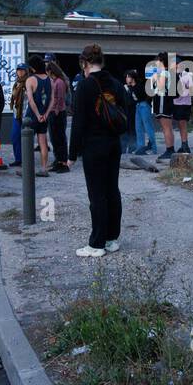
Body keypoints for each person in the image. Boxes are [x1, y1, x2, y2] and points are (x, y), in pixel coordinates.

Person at [68, 43, 125, 257]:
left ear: (84, 62)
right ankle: (111, 239)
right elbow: (124, 112)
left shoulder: (84, 86)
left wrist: (71, 154)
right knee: (112, 191)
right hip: (114, 145)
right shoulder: (116, 84)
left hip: (93, 146)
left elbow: (78, 122)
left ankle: (96, 244)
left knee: (97, 194)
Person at [25, 55, 53, 176]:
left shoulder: (30, 80)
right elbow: (52, 100)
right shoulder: (50, 80)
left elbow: (31, 101)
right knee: (43, 142)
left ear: (32, 67)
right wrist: (45, 114)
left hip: (31, 116)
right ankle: (44, 168)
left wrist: (37, 114)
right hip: (44, 116)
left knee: (27, 143)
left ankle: (27, 170)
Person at [46, 59, 71, 173]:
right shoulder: (55, 81)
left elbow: (60, 98)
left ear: (51, 71)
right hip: (53, 112)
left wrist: (55, 111)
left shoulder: (59, 82)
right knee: (54, 138)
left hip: (58, 113)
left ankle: (63, 162)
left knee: (60, 138)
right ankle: (58, 160)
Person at [153, 52, 176, 161]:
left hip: (163, 99)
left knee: (166, 127)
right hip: (166, 99)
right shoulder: (167, 72)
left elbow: (161, 86)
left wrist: (155, 77)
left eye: (157, 60)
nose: (155, 63)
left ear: (162, 61)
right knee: (168, 127)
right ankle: (170, 148)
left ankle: (169, 149)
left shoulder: (164, 73)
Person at [128, 68, 156, 155]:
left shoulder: (139, 86)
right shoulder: (131, 87)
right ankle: (140, 148)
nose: (127, 78)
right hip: (138, 106)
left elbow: (147, 95)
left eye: (128, 77)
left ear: (133, 78)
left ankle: (153, 148)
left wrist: (147, 104)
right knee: (138, 128)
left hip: (144, 106)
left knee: (148, 127)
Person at [172, 56, 193, 154]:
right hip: (177, 103)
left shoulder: (186, 75)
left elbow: (192, 89)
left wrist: (184, 93)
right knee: (180, 125)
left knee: (183, 124)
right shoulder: (174, 75)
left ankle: (185, 146)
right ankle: (184, 144)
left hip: (184, 103)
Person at [9, 62, 30, 167]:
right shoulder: (16, 83)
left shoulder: (29, 82)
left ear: (26, 71)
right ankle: (18, 159)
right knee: (15, 137)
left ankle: (25, 159)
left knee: (26, 138)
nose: (20, 72)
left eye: (22, 70)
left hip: (26, 115)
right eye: (18, 70)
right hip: (16, 114)